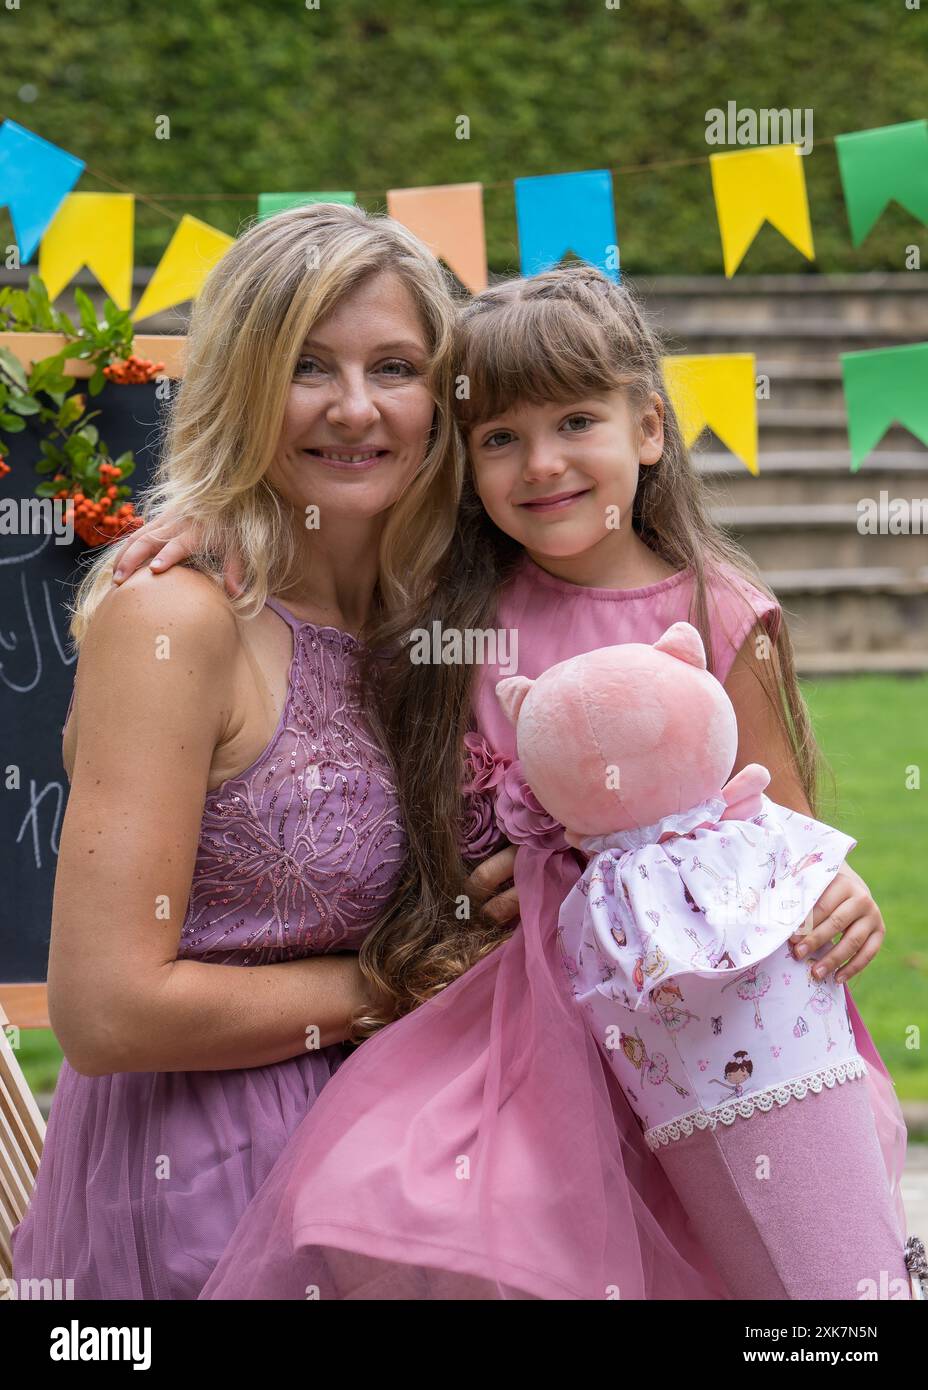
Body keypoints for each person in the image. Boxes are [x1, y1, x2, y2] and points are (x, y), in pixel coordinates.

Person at [121, 266, 904, 1300]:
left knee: (780, 1267)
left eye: (576, 421)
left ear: (651, 430)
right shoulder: (453, 606)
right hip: (521, 1022)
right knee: (417, 1208)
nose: (541, 465)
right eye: (499, 439)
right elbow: (311, 521)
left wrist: (837, 890)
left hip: (711, 1030)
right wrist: (210, 523)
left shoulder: (722, 612)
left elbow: (785, 836)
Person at [10, 202, 516, 1299]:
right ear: (241, 384)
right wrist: (404, 985)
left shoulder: (443, 614)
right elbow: (103, 1013)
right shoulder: (179, 622)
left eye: (395, 366)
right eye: (305, 367)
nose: (353, 407)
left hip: (420, 1165)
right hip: (214, 1187)